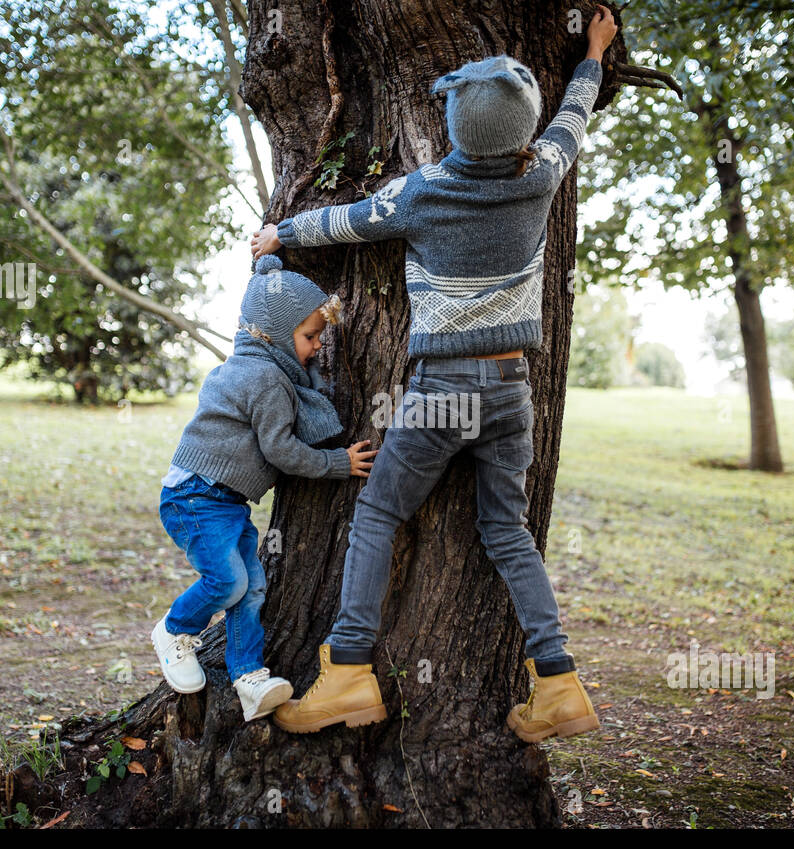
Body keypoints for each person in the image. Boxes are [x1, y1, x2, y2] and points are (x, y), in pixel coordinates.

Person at [249, 6, 619, 740]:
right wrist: (594, 56)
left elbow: (344, 221)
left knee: (381, 512)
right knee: (506, 531)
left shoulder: (421, 192)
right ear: (522, 131)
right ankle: (559, 682)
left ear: (454, 127)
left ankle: (349, 672)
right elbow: (574, 120)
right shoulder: (541, 175)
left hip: (444, 389)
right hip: (512, 388)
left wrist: (278, 233)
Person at [151, 253, 378, 721]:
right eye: (310, 336)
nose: (317, 347)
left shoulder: (253, 367)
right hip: (195, 496)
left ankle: (249, 676)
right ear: (274, 334)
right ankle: (174, 630)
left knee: (253, 588)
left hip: (224, 501)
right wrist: (337, 462)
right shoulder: (267, 378)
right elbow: (281, 450)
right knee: (229, 581)